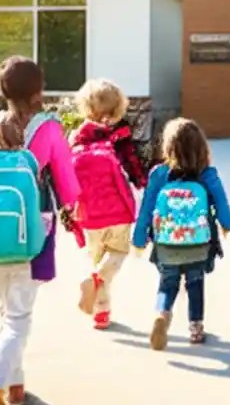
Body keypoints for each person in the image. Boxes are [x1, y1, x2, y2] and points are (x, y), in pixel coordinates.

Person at [0, 56, 80, 405]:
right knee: (18, 317)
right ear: (38, 90)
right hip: (31, 236)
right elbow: (69, 188)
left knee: (7, 313)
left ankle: (15, 389)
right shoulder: (47, 129)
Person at [132, 117, 230, 349]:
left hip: (166, 244)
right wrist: (229, 225)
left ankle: (161, 313)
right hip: (198, 245)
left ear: (167, 147)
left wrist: (139, 239)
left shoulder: (159, 174)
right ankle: (196, 328)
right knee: (195, 284)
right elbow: (221, 204)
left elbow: (147, 209)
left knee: (167, 284)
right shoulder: (207, 174)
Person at [70, 78, 148, 330]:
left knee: (96, 257)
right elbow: (134, 168)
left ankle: (101, 311)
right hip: (119, 213)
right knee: (118, 254)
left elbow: (65, 175)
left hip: (89, 214)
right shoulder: (120, 137)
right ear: (118, 107)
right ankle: (97, 279)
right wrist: (142, 184)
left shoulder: (76, 138)